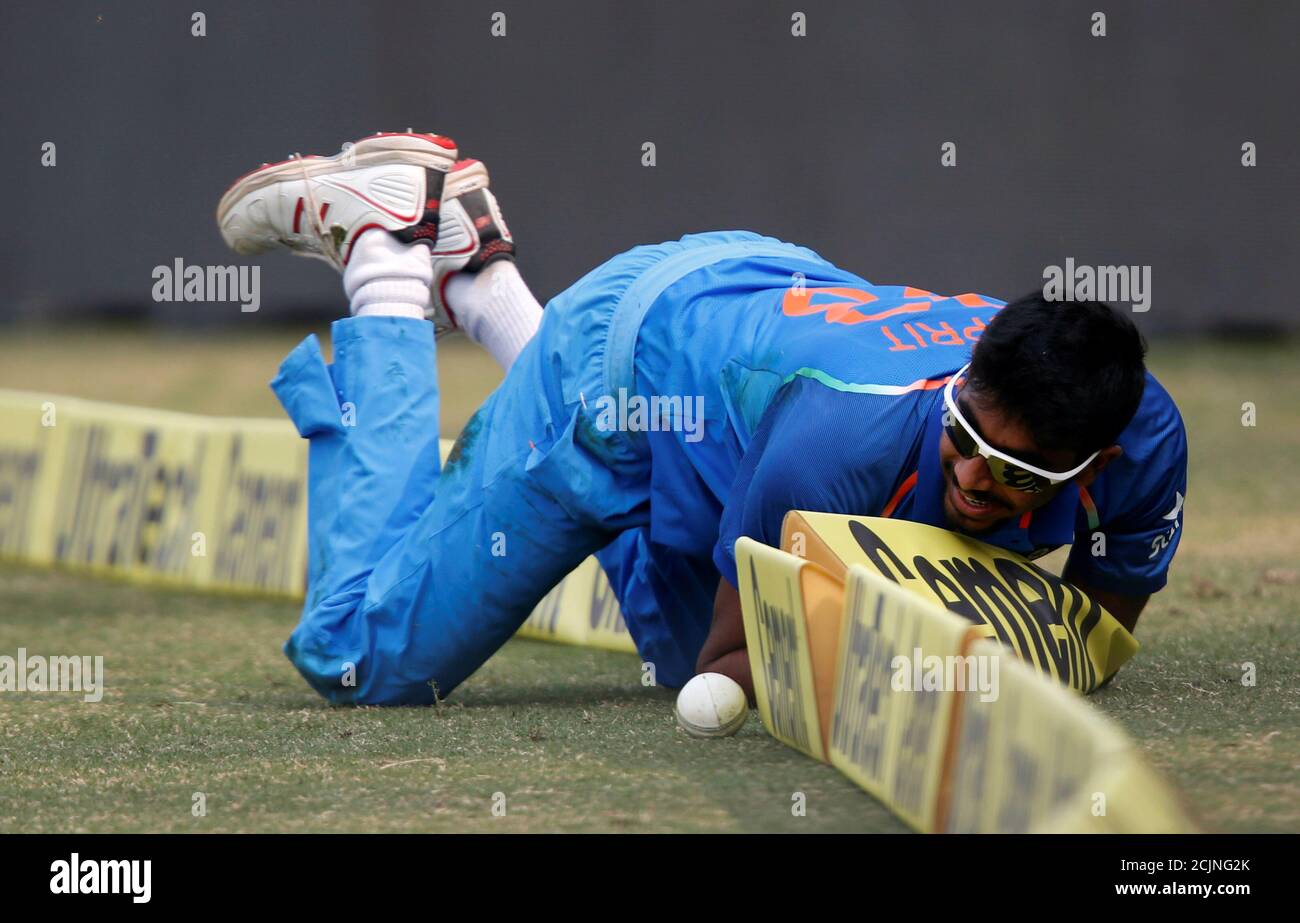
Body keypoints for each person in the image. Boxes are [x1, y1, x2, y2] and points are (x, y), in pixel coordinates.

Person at [217, 131, 1187, 706]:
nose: (977, 481)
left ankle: (478, 274)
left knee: (677, 650)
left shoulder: (1146, 440)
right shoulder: (832, 446)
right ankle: (387, 253)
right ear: (963, 381)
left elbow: (1084, 637)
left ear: (1097, 463)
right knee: (361, 658)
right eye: (964, 441)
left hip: (753, 309)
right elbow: (728, 674)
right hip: (618, 374)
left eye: (1019, 476)